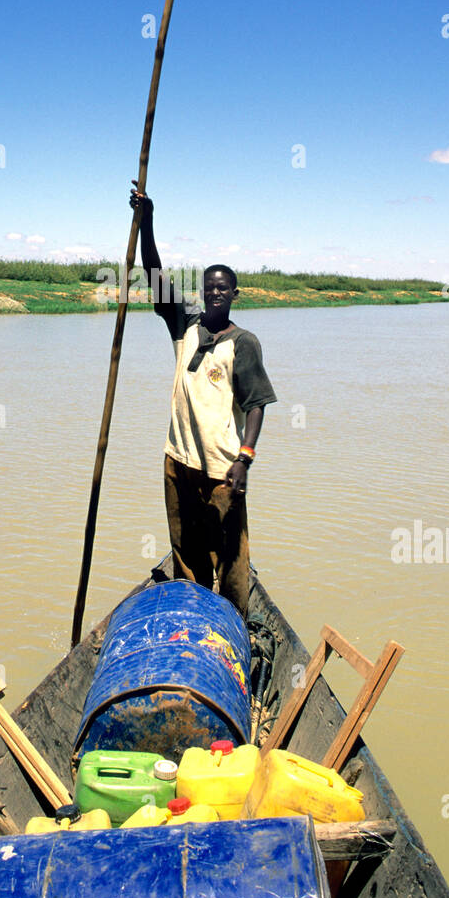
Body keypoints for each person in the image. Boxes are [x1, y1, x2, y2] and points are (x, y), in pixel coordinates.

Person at [130, 183, 277, 618]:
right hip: (178, 458)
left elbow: (256, 404)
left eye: (222, 289)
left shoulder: (244, 343)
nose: (214, 293)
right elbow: (154, 274)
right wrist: (147, 221)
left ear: (233, 295)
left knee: (231, 556)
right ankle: (192, 611)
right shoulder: (184, 325)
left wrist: (244, 458)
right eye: (209, 288)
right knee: (186, 547)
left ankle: (232, 625)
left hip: (221, 466)